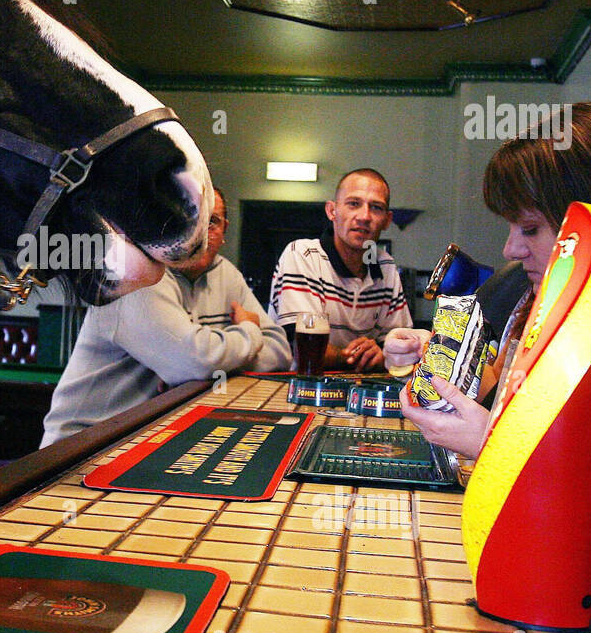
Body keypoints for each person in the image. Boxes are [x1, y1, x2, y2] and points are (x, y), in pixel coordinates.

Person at [386, 102, 591, 458]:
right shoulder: (518, 292)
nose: (510, 249)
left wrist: (494, 448)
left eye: (530, 228)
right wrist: (440, 355)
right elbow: (496, 390)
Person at [41, 188, 292, 444]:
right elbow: (196, 362)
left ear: (225, 230)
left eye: (212, 221)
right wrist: (248, 331)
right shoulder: (136, 276)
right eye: (190, 220)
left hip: (152, 435)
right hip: (83, 444)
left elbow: (280, 352)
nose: (200, 233)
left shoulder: (227, 274)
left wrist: (206, 364)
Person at [267, 168, 412, 371]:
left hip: (355, 390)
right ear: (332, 211)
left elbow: (403, 348)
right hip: (297, 389)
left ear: (387, 220)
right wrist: (371, 356)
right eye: (354, 204)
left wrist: (382, 353)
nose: (364, 216)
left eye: (376, 208)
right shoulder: (302, 254)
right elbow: (306, 352)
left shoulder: (386, 266)